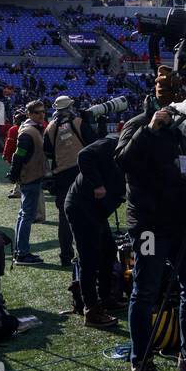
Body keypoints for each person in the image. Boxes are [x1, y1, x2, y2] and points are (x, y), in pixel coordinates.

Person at [115, 70, 186, 371]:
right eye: (166, 92)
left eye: (176, 93)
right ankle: (141, 360)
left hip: (182, 222)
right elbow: (124, 162)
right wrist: (151, 130)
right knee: (146, 291)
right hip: (150, 225)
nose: (171, 99)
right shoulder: (137, 124)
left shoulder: (183, 129)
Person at [65, 133, 128, 327]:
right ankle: (91, 309)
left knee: (108, 251)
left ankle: (105, 297)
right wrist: (98, 184)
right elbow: (84, 155)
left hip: (97, 210)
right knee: (89, 258)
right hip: (82, 206)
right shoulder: (112, 143)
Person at [44, 95, 97, 268]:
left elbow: (48, 152)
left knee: (64, 218)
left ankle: (65, 256)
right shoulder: (79, 122)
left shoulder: (50, 127)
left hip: (61, 174)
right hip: (81, 171)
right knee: (86, 213)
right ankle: (87, 254)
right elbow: (94, 143)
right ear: (70, 107)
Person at [6, 100, 48, 265]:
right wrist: (15, 174)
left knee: (24, 215)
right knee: (26, 215)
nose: (42, 114)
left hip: (32, 176)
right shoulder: (28, 132)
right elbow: (19, 155)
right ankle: (22, 253)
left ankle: (20, 251)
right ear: (30, 114)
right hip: (30, 177)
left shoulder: (33, 129)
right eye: (37, 112)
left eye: (43, 111)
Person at [2, 108, 25, 199]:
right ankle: (17, 188)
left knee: (16, 172)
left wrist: (5, 154)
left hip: (15, 154)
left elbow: (9, 143)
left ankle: (17, 191)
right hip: (26, 154)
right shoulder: (29, 127)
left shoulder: (13, 129)